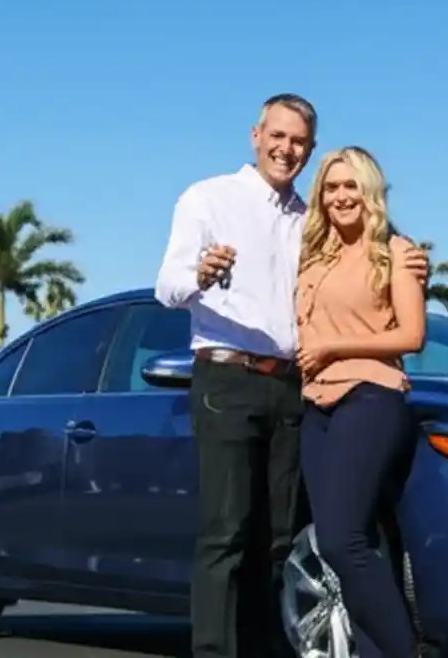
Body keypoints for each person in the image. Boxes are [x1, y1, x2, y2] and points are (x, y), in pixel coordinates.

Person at [154, 93, 431, 658]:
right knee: (226, 533)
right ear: (256, 134)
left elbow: (373, 249)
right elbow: (167, 288)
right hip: (228, 379)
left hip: (294, 387)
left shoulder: (312, 219)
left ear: (308, 150)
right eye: (277, 136)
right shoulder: (209, 198)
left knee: (278, 538)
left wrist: (410, 259)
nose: (286, 149)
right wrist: (201, 274)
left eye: (299, 142)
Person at [293, 146, 428, 658]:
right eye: (331, 187)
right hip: (315, 405)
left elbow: (412, 334)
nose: (341, 197)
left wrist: (332, 347)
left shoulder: (396, 251)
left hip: (368, 395)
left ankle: (405, 651)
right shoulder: (314, 257)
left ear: (369, 193)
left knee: (341, 540)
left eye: (351, 186)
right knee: (355, 546)